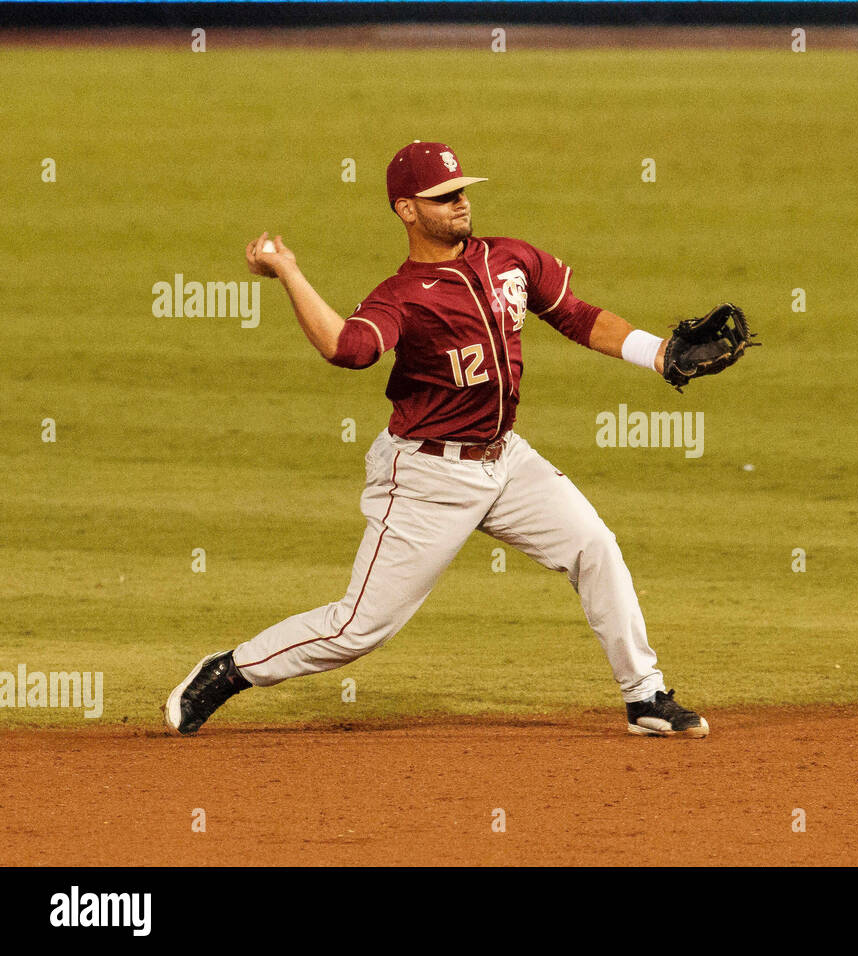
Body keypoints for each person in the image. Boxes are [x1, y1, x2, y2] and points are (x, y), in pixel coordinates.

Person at [164, 141, 714, 738]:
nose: (460, 203)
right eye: (443, 197)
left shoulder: (511, 259)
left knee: (594, 546)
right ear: (406, 209)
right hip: (427, 475)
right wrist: (289, 272)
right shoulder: (401, 295)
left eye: (462, 191)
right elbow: (346, 349)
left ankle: (645, 696)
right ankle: (229, 671)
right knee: (358, 629)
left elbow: (576, 315)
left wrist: (656, 354)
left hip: (506, 459)